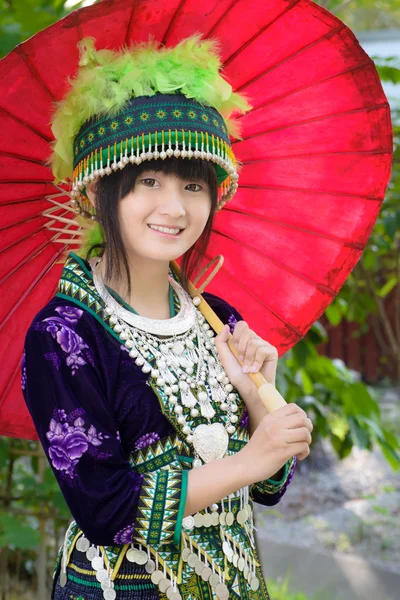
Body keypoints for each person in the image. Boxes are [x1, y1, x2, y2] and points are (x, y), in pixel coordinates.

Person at [22, 36, 313, 600]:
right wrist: (249, 460)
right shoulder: (64, 336)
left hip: (235, 581)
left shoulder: (217, 317)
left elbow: (268, 486)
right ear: (96, 189)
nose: (175, 208)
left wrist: (260, 400)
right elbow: (106, 511)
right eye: (148, 181)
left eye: (193, 185)